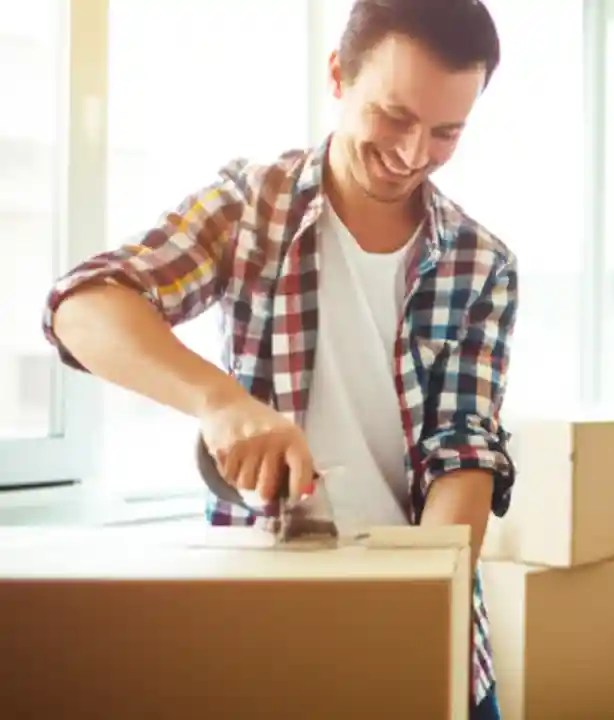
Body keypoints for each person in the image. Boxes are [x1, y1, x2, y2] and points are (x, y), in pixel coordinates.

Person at [41, 0, 513, 716]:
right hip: (263, 621)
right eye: (394, 115)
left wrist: (422, 602)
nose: (414, 154)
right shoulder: (251, 206)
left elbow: (465, 454)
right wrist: (219, 402)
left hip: (421, 620)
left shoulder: (482, 264)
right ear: (337, 76)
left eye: (446, 132)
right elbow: (83, 307)